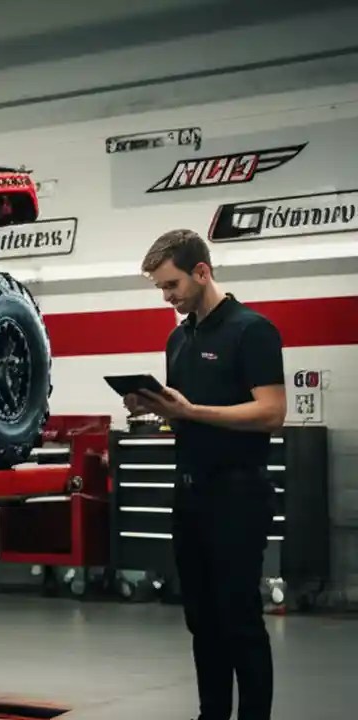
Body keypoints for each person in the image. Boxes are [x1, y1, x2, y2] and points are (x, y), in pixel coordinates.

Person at [125, 229, 286, 720]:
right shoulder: (178, 339)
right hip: (190, 494)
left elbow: (272, 411)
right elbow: (184, 413)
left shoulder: (251, 330)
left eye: (171, 285)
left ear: (201, 271)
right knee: (202, 620)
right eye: (160, 289)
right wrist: (153, 409)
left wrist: (193, 412)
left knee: (239, 618)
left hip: (238, 493)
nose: (168, 297)